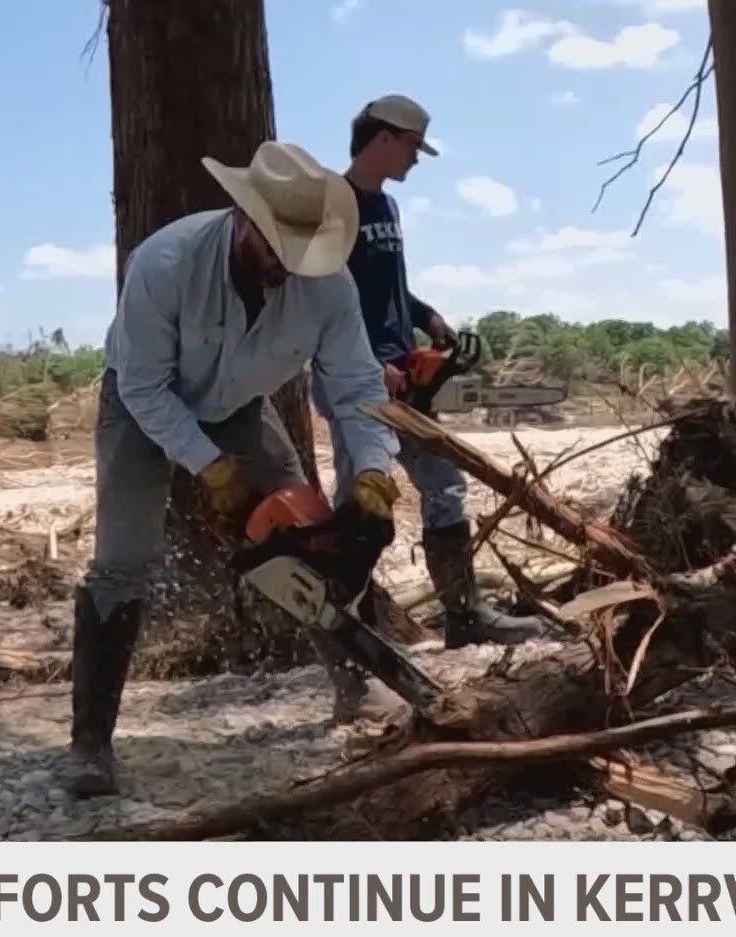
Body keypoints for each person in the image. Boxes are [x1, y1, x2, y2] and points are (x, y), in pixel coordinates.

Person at [64, 140, 405, 796]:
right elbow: (143, 387)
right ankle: (90, 745)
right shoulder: (166, 262)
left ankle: (355, 687)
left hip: (240, 405)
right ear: (245, 217)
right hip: (144, 403)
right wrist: (210, 468)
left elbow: (360, 388)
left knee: (310, 534)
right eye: (277, 245)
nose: (288, 264)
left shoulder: (330, 288)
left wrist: (373, 474)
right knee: (120, 562)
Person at [334, 93, 549, 649]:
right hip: (357, 379)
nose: (415, 160)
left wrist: (426, 317)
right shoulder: (335, 205)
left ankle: (463, 617)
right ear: (384, 139)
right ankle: (347, 633)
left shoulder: (386, 207)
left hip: (399, 371)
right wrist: (366, 363)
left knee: (445, 487)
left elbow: (385, 287)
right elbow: (324, 296)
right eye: (412, 148)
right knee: (361, 504)